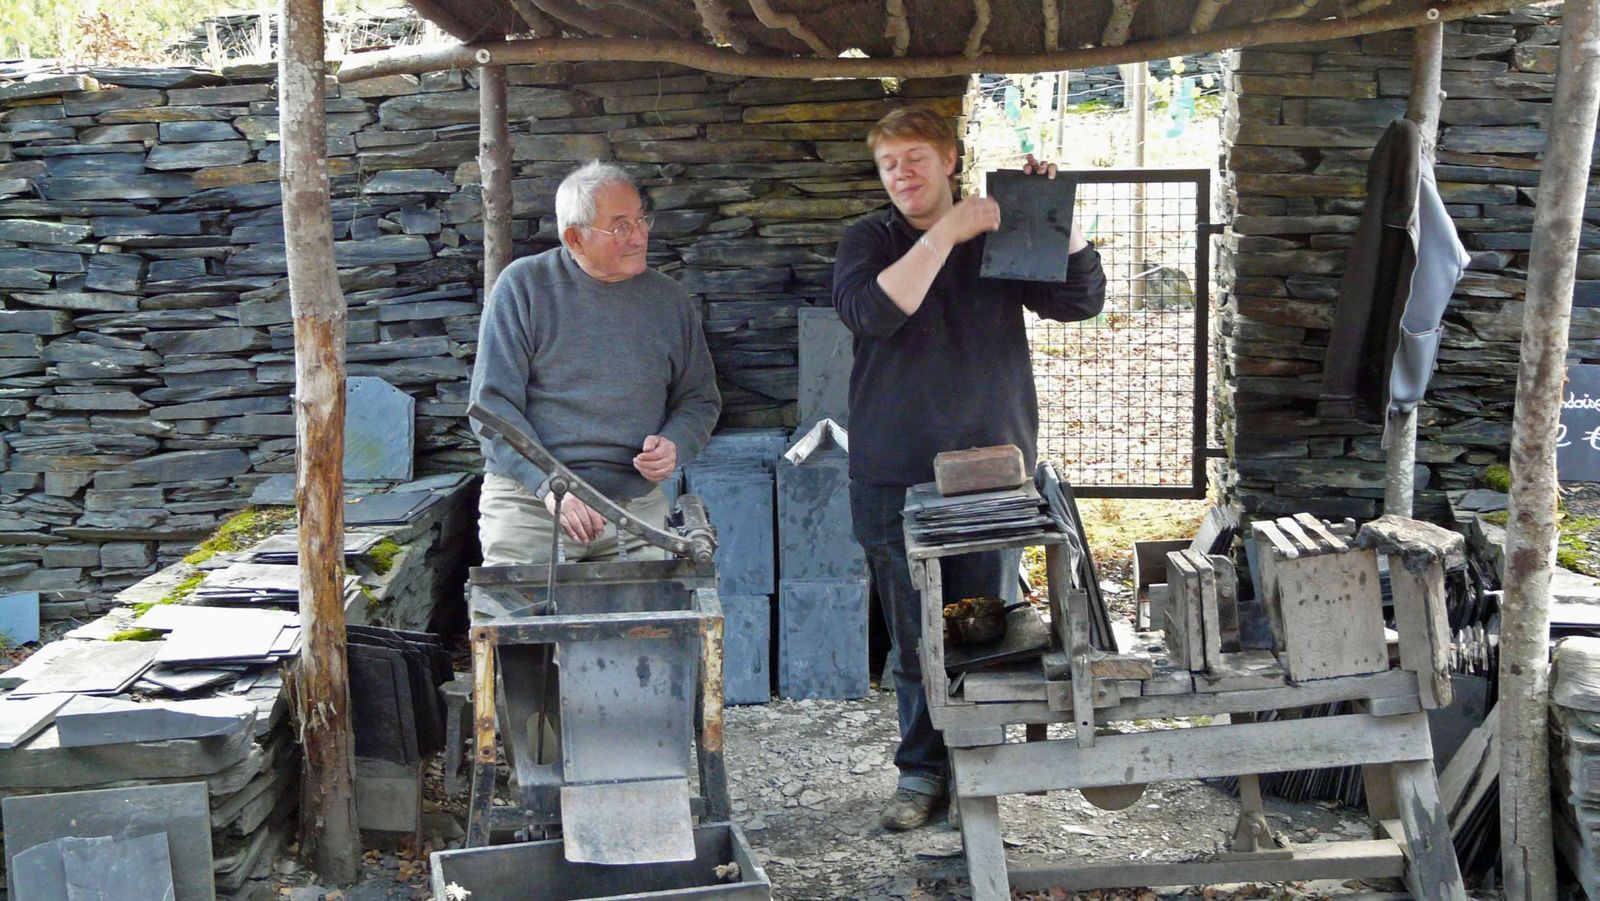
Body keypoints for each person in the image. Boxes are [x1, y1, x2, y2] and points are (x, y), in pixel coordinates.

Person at [832, 108, 1106, 831]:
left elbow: (1079, 300)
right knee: (918, 635)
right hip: (893, 470)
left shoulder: (997, 233)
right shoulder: (870, 240)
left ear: (950, 160)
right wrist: (946, 234)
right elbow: (872, 314)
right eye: (889, 162)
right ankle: (922, 773)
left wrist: (1053, 211)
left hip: (992, 470)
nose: (902, 174)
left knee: (984, 630)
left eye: (915, 157)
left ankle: (978, 772)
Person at [470, 160, 721, 568]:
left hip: (635, 507)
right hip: (531, 504)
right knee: (520, 628)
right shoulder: (523, 287)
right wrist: (550, 485)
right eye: (620, 226)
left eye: (641, 220)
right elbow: (491, 409)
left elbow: (699, 399)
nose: (639, 236)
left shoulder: (669, 300)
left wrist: (676, 441)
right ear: (575, 238)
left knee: (651, 628)